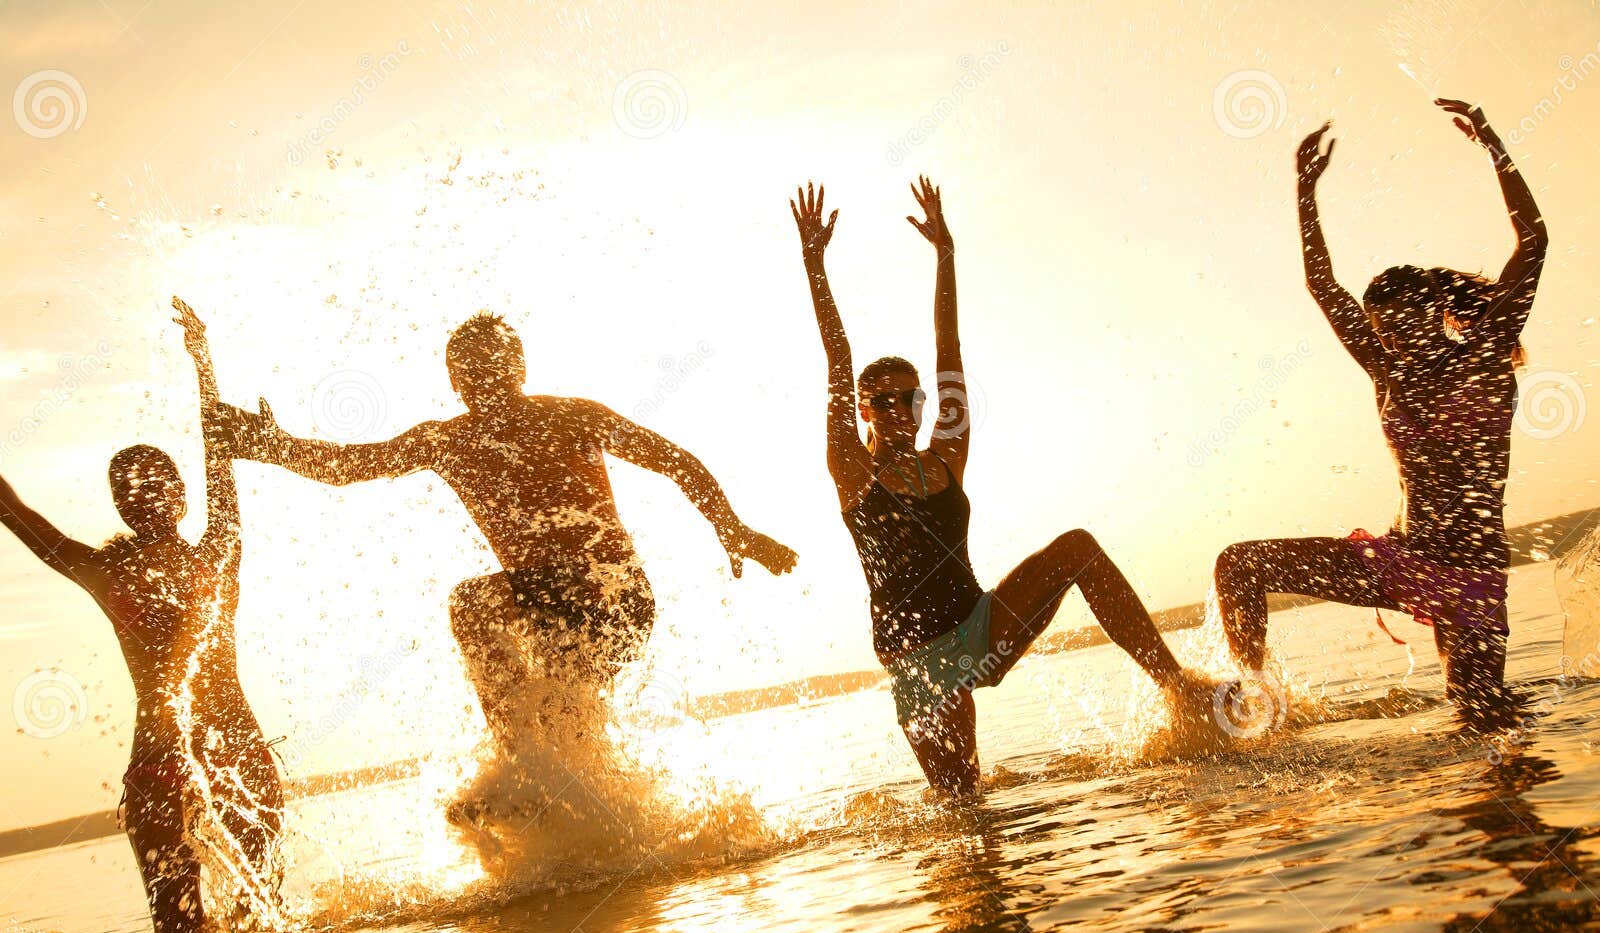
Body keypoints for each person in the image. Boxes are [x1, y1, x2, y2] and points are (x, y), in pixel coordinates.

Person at [792, 178, 1217, 796]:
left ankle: (1178, 689)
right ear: (862, 411)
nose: (897, 411)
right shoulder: (853, 471)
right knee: (966, 810)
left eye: (908, 399)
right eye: (880, 402)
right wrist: (814, 264)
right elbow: (837, 355)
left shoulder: (946, 458)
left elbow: (949, 353)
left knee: (1077, 548)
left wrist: (946, 254)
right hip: (921, 664)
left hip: (979, 627)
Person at [226, 311, 796, 757]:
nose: (481, 378)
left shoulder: (573, 415)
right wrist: (269, 446)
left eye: (493, 363)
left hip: (614, 594)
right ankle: (532, 769)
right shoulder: (447, 440)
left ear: (518, 366)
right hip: (538, 599)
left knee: (545, 685)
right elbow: (348, 467)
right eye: (468, 370)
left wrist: (732, 527)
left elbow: (673, 460)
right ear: (453, 381)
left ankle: (552, 776)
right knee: (503, 643)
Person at [1214, 99, 1547, 722]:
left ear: (1437, 313)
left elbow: (1534, 240)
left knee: (1482, 718)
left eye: (1405, 326)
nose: (1395, 342)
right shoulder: (1387, 368)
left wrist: (1494, 144)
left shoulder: (1484, 351)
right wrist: (1304, 193)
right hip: (1399, 558)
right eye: (1383, 332)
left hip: (1470, 575)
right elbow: (1322, 284)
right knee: (1240, 564)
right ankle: (1256, 708)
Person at [0, 299, 284, 933]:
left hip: (231, 751)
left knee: (261, 931)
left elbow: (220, 450)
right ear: (121, 506)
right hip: (168, 761)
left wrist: (205, 362)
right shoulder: (111, 569)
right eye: (131, 488)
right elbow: (14, 513)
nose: (145, 494)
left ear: (180, 495)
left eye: (155, 483)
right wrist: (204, 362)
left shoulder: (218, 551)